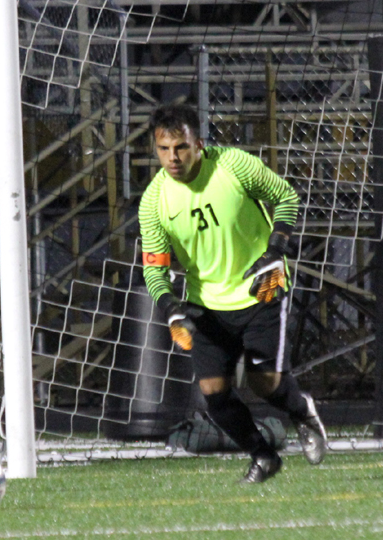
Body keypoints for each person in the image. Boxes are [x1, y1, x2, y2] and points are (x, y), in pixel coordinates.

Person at [139, 103, 327, 483]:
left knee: (265, 383)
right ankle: (263, 455)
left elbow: (286, 197)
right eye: (164, 149)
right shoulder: (153, 201)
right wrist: (171, 307)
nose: (172, 158)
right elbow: (154, 268)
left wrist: (275, 251)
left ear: (200, 144)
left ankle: (302, 409)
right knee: (214, 394)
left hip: (262, 287)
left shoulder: (234, 165)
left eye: (181, 147)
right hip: (205, 302)